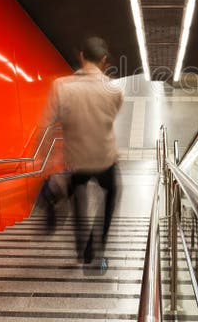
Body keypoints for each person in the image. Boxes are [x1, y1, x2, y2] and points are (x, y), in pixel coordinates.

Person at [41, 36, 123, 270]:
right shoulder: (114, 89)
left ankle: (81, 251)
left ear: (81, 57)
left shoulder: (61, 86)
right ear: (104, 60)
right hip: (105, 158)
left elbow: (46, 125)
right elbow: (111, 115)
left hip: (76, 160)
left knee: (79, 199)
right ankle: (96, 246)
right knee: (112, 194)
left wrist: (49, 162)